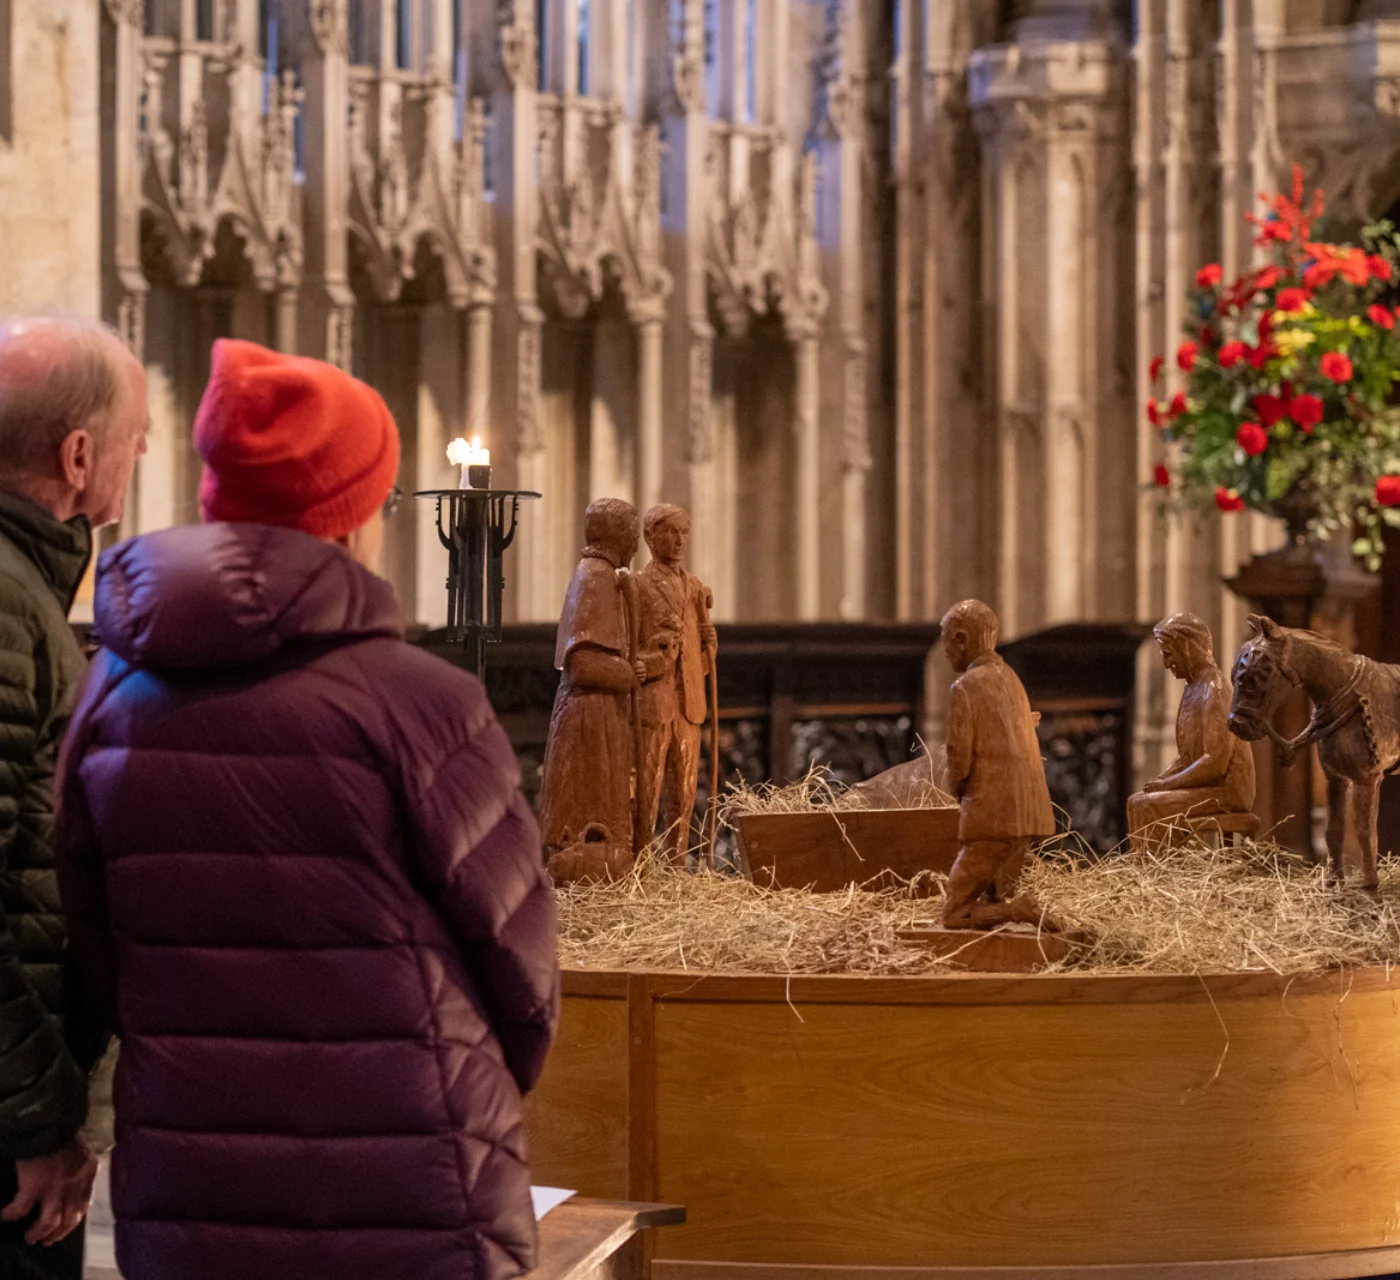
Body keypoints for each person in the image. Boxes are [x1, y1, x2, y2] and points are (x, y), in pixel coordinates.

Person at [53, 339, 559, 1280]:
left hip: (191, 1175)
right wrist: (470, 1082)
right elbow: (521, 965)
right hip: (408, 1175)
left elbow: (93, 944)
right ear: (352, 518)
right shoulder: (421, 702)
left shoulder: (111, 694)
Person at [0, 315, 148, 1278]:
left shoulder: (24, 587)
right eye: (137, 437)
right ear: (80, 455)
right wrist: (36, 1119)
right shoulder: (7, 603)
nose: (143, 456)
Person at [939, 599, 1058, 931]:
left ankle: (1020, 910)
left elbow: (959, 759)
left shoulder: (965, 687)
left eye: (946, 641)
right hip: (1026, 814)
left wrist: (958, 793)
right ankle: (1007, 912)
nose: (945, 652)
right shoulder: (1011, 678)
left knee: (953, 914)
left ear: (961, 639)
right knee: (992, 892)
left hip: (991, 816)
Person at [539, 498, 645, 858]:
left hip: (600, 716)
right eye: (632, 534)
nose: (636, 544)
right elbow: (583, 665)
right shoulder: (595, 578)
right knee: (587, 829)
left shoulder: (603, 575)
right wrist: (626, 673)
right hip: (589, 721)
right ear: (616, 535)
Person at [1127, 612, 1257, 847]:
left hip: (1227, 791)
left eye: (1169, 654)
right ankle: (1148, 864)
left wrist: (1168, 785)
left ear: (1186, 648)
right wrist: (1163, 778)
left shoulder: (1214, 690)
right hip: (1209, 787)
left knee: (1147, 805)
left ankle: (1158, 866)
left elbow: (1214, 763)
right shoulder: (1194, 688)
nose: (1166, 664)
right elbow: (1188, 757)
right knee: (1136, 800)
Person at [635, 504, 716, 864]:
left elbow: (702, 657)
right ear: (650, 536)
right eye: (671, 532)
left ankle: (676, 864)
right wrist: (651, 659)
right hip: (655, 702)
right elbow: (630, 647)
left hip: (689, 705)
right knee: (647, 788)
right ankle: (639, 863)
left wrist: (709, 642)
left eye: (684, 532)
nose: (680, 540)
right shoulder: (638, 585)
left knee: (683, 792)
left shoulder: (694, 587)